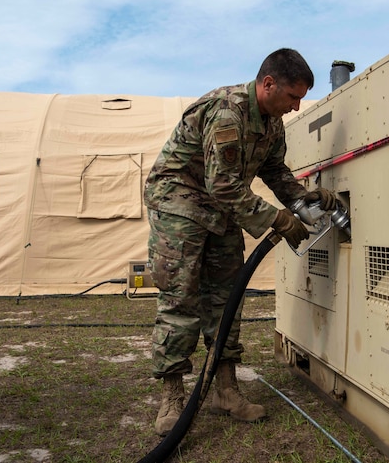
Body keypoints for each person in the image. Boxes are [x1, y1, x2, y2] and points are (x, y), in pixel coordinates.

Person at [144, 48, 337, 436]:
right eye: (292, 96)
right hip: (179, 202)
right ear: (268, 84)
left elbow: (274, 171)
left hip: (221, 207)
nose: (297, 107)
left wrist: (302, 201)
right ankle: (173, 396)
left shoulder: (272, 123)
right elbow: (222, 184)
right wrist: (276, 219)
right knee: (181, 298)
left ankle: (226, 390)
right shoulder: (227, 111)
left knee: (227, 297)